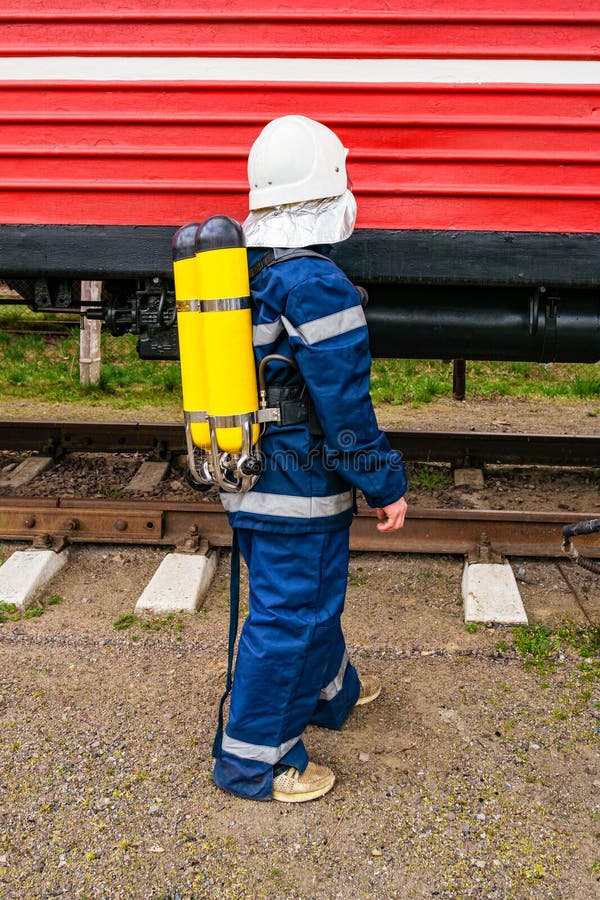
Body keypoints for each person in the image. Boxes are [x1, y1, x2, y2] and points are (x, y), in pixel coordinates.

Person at [212, 115, 408, 802]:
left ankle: (331, 692)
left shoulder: (255, 273)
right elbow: (346, 409)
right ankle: (253, 763)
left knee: (305, 598)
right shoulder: (318, 284)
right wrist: (386, 484)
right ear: (331, 190)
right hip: (299, 489)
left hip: (256, 476)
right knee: (292, 614)